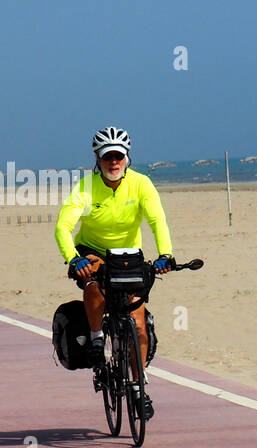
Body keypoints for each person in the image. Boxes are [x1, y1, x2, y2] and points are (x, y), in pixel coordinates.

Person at [55, 126, 176, 420]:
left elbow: (157, 220)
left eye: (118, 157)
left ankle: (138, 386)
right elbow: (63, 226)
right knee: (93, 285)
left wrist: (166, 254)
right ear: (98, 159)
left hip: (128, 257)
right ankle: (97, 339)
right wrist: (73, 259)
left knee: (138, 322)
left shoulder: (142, 184)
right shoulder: (85, 187)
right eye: (107, 157)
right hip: (91, 251)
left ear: (127, 159)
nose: (113, 162)